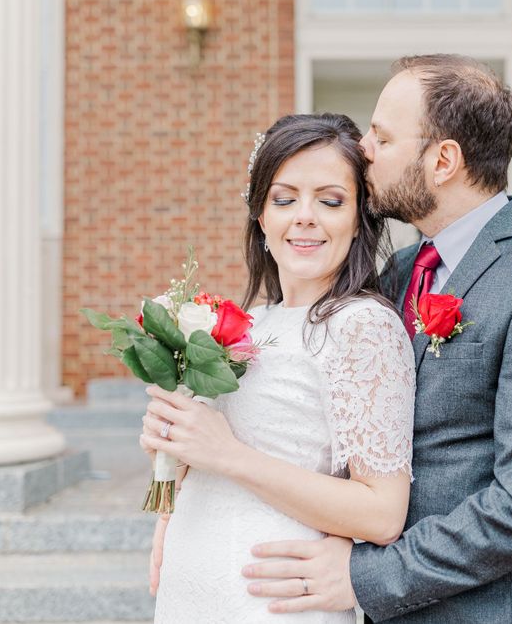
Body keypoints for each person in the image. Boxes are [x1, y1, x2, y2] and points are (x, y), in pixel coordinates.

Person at [242, 55, 512, 622]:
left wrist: (367, 578)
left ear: (443, 161)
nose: (363, 148)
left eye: (383, 137)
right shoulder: (398, 272)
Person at [139, 113, 416, 623]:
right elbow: (217, 453)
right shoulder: (250, 325)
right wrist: (174, 451)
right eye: (284, 199)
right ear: (261, 216)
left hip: (274, 601)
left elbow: (382, 514)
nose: (304, 216)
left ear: (359, 219)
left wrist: (225, 453)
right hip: (193, 591)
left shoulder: (362, 326)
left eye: (330, 201)